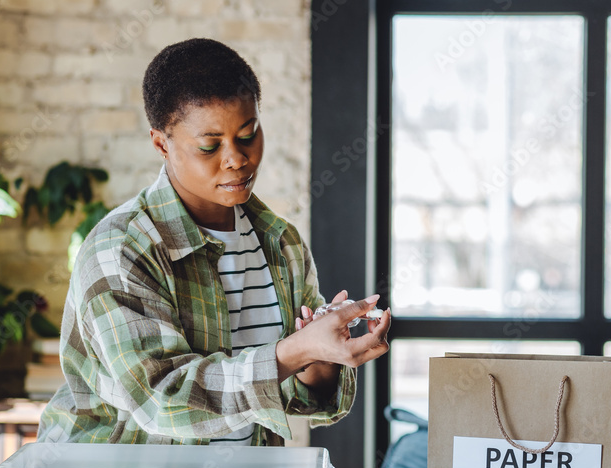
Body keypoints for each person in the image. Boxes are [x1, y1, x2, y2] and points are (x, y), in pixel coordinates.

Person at [36, 37, 390, 446]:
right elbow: (164, 400)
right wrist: (291, 352)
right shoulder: (121, 248)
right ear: (161, 144)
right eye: (209, 145)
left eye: (248, 134)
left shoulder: (281, 243)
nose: (235, 159)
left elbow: (292, 398)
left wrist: (323, 353)